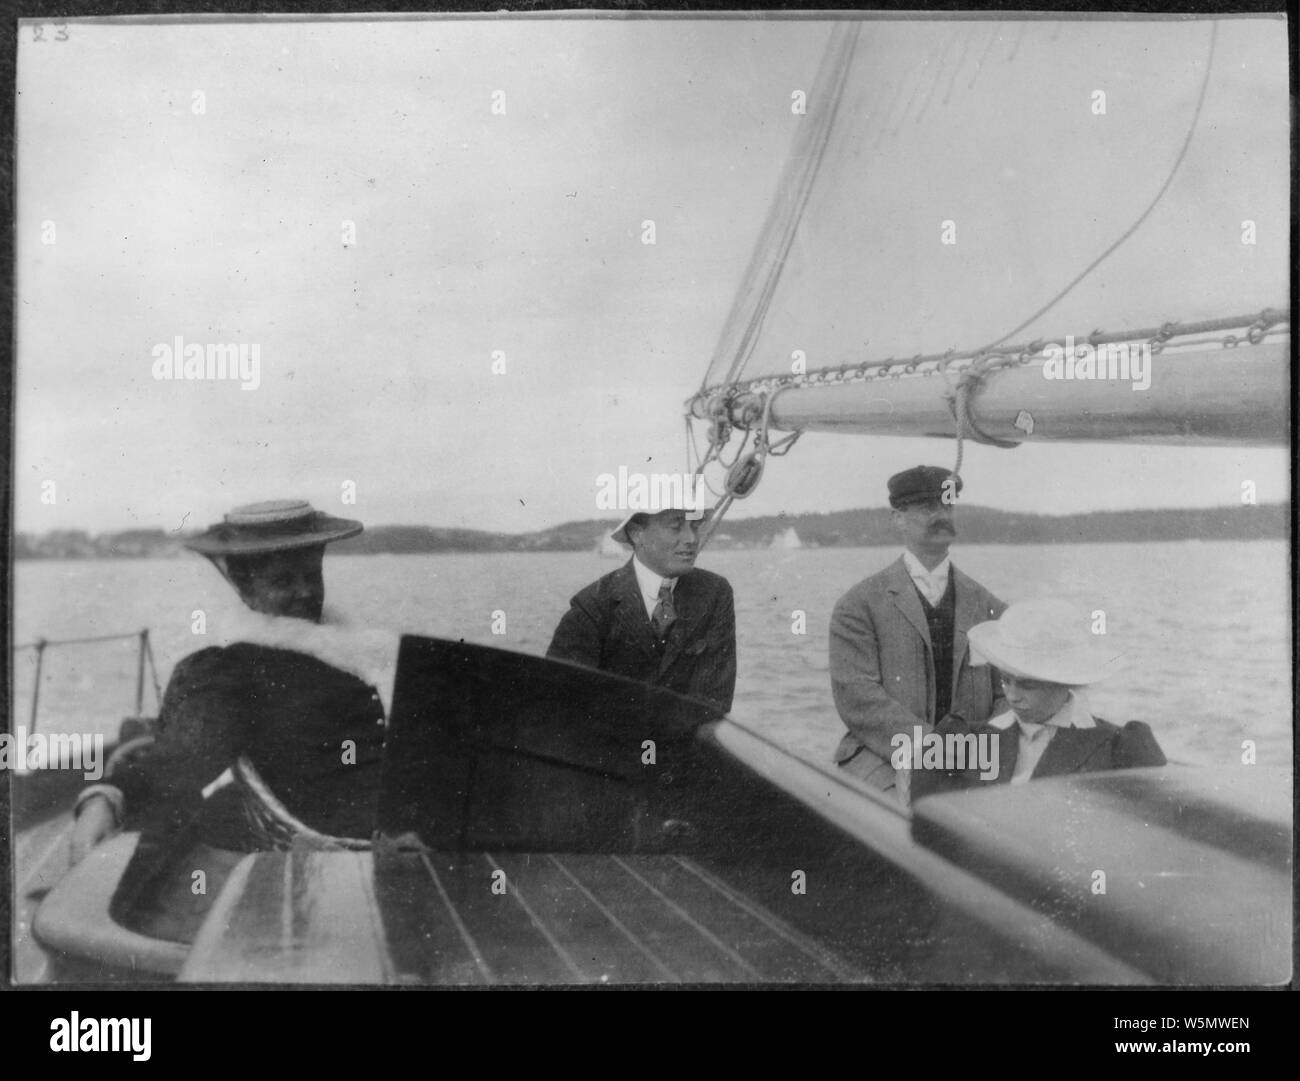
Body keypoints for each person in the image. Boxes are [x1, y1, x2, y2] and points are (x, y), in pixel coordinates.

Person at [69, 499, 398, 863]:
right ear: (245, 588)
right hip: (346, 845)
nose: (305, 591)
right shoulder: (230, 671)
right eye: (283, 580)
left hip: (396, 818)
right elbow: (181, 760)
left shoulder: (347, 653)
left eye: (310, 575)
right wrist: (106, 798)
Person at [829, 465, 1006, 802]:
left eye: (948, 506)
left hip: (971, 758)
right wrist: (932, 748)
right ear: (897, 518)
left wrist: (980, 747)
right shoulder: (858, 606)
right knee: (893, 829)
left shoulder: (989, 606)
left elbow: (1007, 694)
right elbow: (858, 698)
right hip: (884, 754)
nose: (942, 516)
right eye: (928, 508)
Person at [910, 598, 1166, 799]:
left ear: (1065, 682)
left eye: (1027, 685)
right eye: (1004, 680)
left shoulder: (1120, 749)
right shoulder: (964, 740)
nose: (1011, 696)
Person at [547, 503, 736, 714]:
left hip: (681, 745)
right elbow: (561, 705)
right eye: (676, 527)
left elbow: (714, 700)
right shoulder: (591, 606)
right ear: (637, 533)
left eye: (695, 526)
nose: (691, 539)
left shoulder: (715, 593)